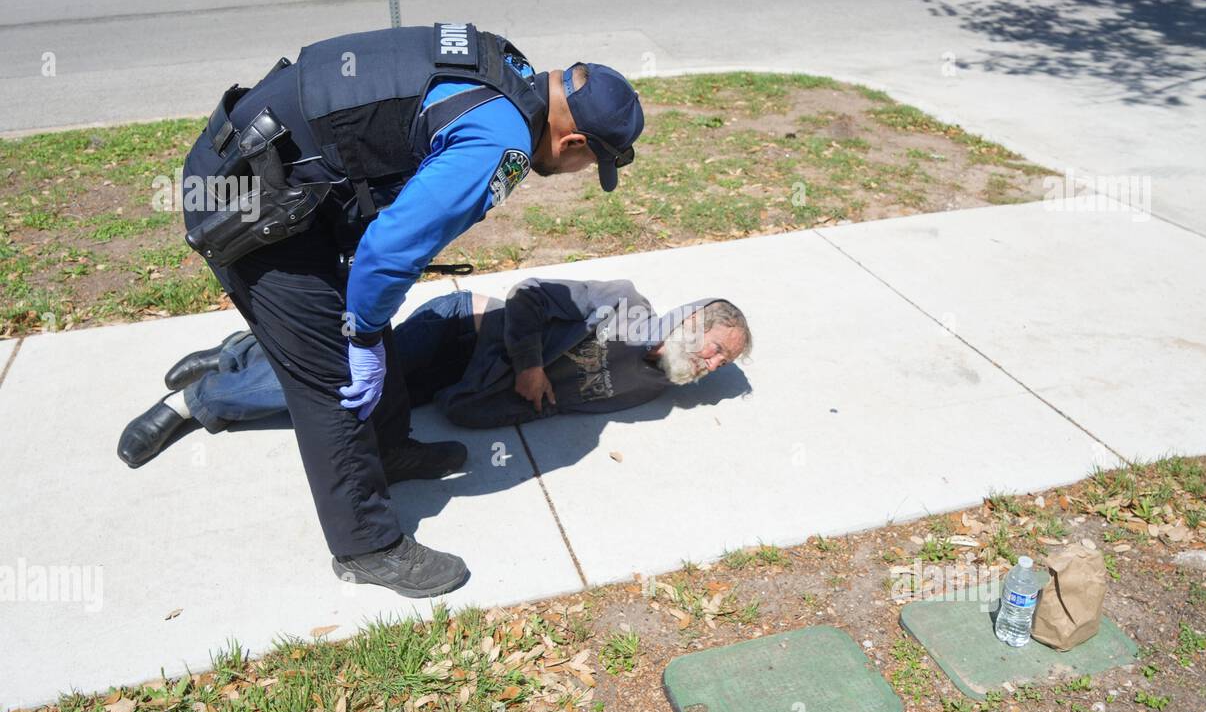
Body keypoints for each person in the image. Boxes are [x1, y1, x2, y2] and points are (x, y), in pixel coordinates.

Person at [150, 22, 644, 599]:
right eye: (591, 165)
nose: (577, 173)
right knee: (334, 374)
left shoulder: (506, 64)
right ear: (574, 144)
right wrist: (359, 340)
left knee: (368, 324)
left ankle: (389, 449)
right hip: (247, 202)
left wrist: (368, 325)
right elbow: (388, 253)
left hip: (277, 174)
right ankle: (366, 546)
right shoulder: (501, 140)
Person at [118, 277, 751, 451]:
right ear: (692, 319)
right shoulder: (622, 302)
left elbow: (564, 406)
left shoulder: (647, 391)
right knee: (338, 386)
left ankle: (242, 350)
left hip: (463, 380)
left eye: (723, 364)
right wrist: (528, 366)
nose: (714, 365)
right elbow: (530, 297)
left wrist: (480, 407)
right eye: (719, 347)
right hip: (459, 332)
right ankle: (196, 402)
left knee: (357, 398)